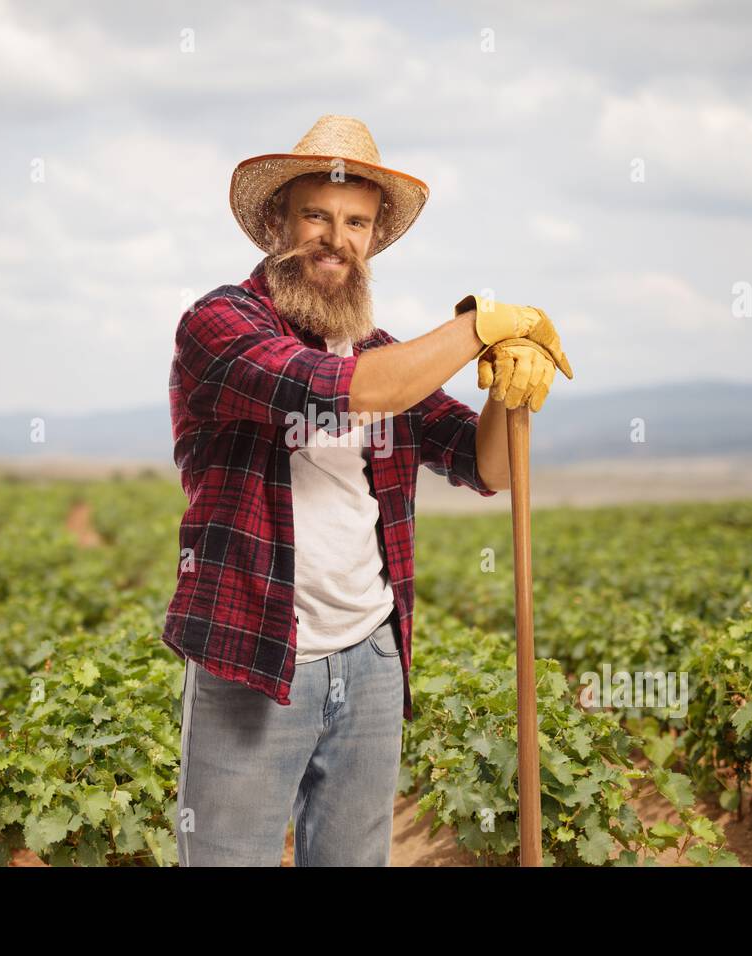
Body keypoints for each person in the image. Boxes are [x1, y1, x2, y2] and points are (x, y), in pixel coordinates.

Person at [164, 114, 573, 866]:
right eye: (316, 215)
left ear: (373, 238)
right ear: (276, 223)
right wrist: (477, 327)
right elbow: (335, 391)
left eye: (355, 221)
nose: (335, 236)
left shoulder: (387, 355)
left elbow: (485, 466)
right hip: (255, 656)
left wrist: (511, 390)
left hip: (372, 660)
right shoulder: (220, 325)